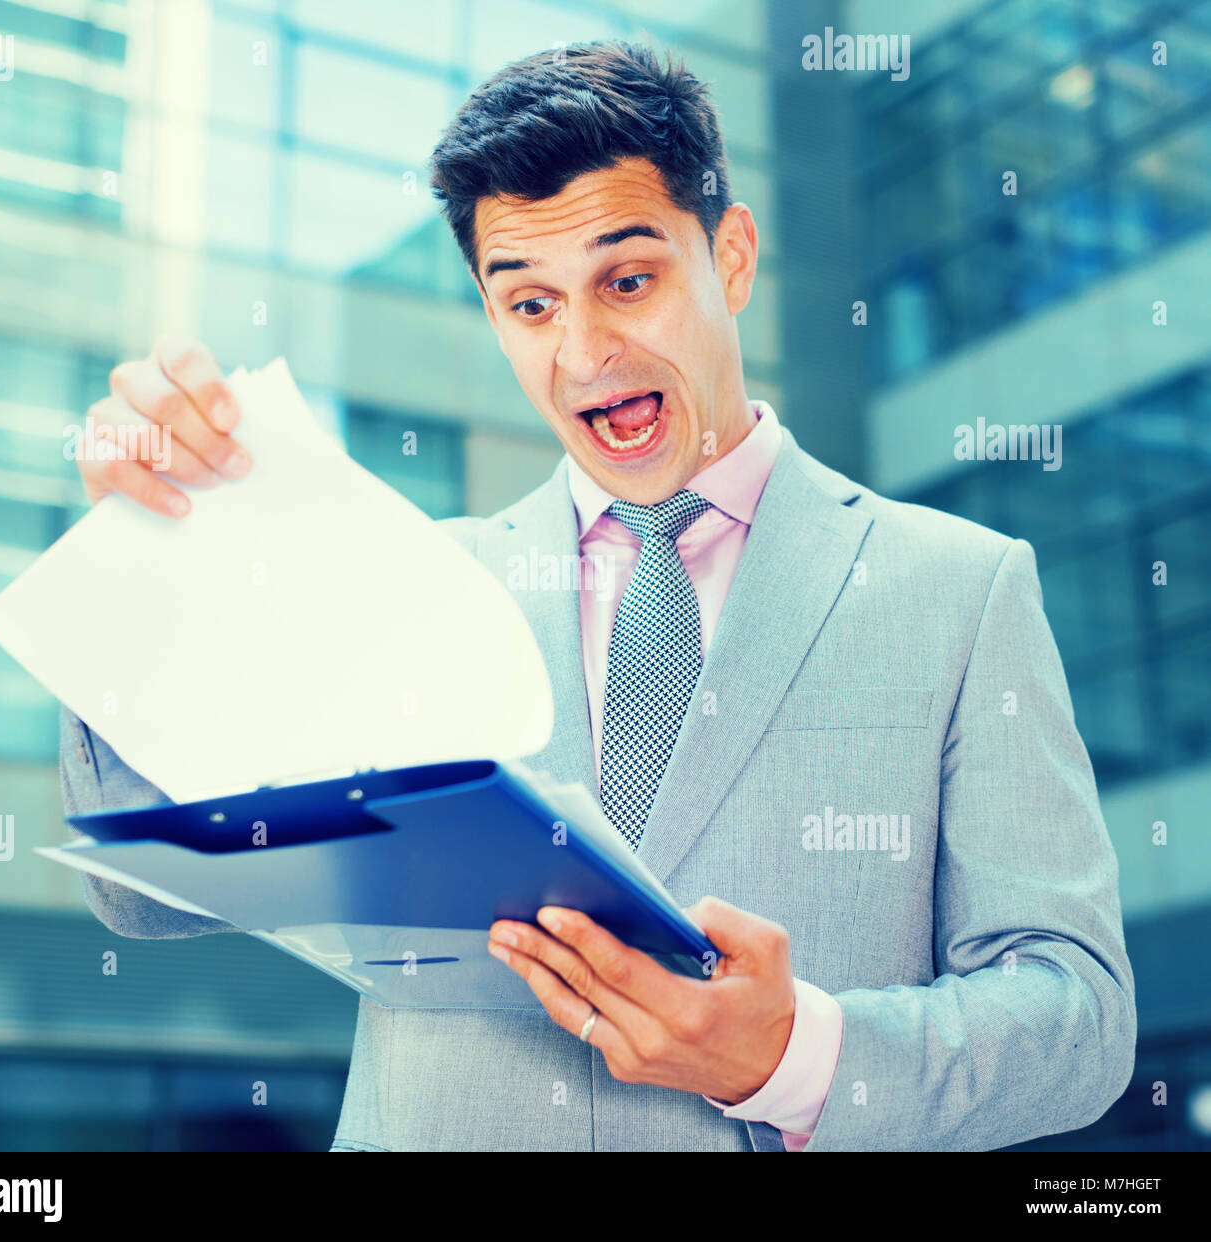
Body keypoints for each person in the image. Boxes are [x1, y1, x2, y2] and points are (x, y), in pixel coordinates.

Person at [61, 40, 1135, 1152]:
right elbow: (148, 895)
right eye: (529, 305)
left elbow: (1077, 1017)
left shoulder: (959, 590)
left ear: (729, 257)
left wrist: (792, 1057)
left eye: (627, 282)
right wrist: (147, 566)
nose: (584, 353)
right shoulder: (412, 587)